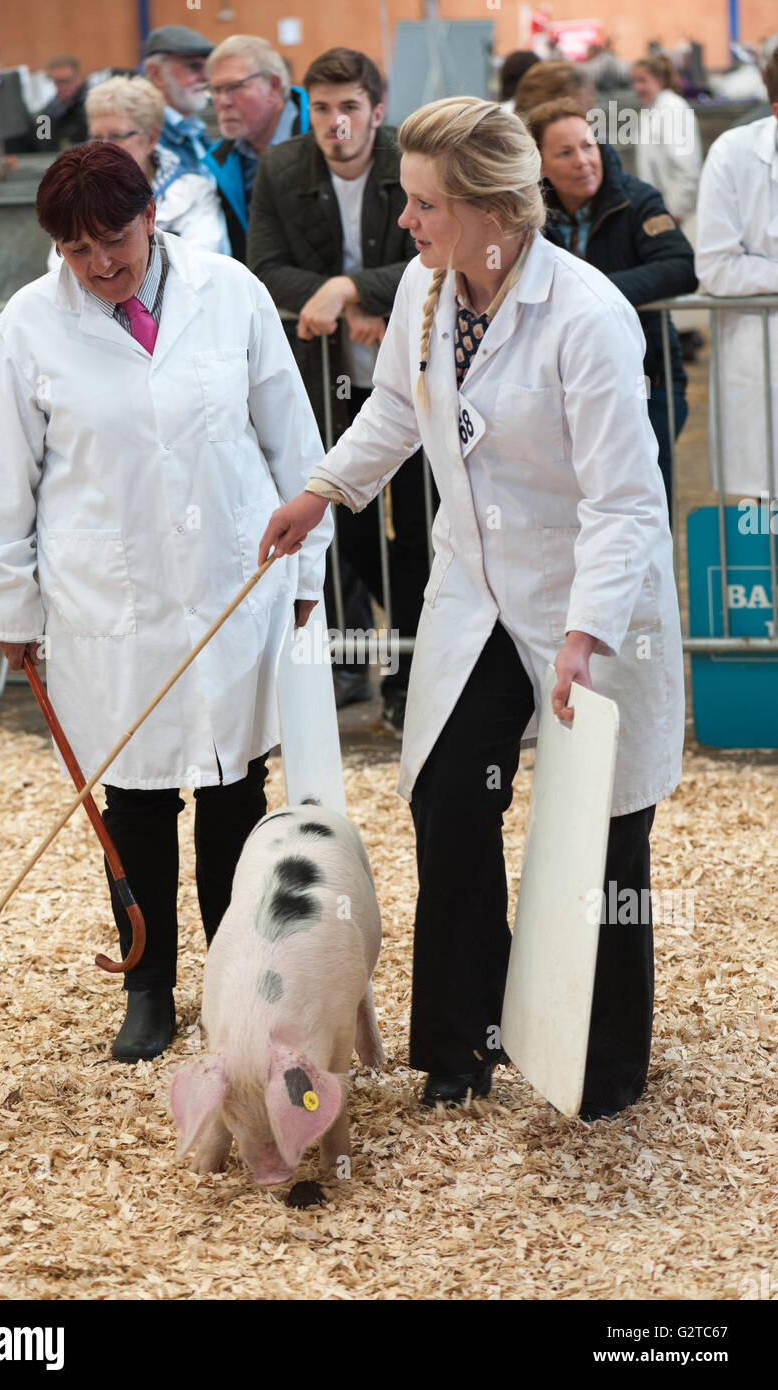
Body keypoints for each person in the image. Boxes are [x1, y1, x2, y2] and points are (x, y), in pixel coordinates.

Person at [259, 97, 684, 1121]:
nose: (403, 223)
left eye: (424, 203)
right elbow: (401, 413)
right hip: (477, 592)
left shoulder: (585, 316)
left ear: (494, 209)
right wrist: (322, 488)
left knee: (601, 826)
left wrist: (583, 629)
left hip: (590, 592)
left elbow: (625, 501)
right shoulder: (425, 286)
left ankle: (602, 1063)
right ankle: (461, 1043)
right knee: (450, 795)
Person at [0, 144, 332, 1063]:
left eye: (113, 241)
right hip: (105, 599)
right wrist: (10, 605)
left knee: (234, 788)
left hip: (231, 579)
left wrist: (309, 569)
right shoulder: (27, 325)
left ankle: (236, 979)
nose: (99, 266)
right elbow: (3, 480)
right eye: (75, 250)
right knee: (130, 797)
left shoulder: (232, 291)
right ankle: (148, 985)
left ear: (150, 217)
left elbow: (291, 436)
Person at [248, 46, 426, 730]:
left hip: (406, 375)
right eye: (321, 108)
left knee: (413, 527)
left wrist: (350, 287)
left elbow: (429, 253)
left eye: (349, 107)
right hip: (326, 373)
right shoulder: (283, 166)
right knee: (345, 530)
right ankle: (391, 651)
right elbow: (263, 266)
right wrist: (338, 300)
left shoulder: (405, 160)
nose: (335, 122)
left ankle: (410, 677)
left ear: (376, 112)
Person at [528, 97, 697, 521]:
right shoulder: (527, 214)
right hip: (559, 387)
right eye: (565, 153)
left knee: (645, 509)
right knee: (578, 510)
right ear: (540, 163)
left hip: (646, 382)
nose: (584, 161)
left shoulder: (636, 199)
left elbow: (680, 267)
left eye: (588, 146)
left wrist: (593, 293)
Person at [695, 48, 778, 497]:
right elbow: (716, 269)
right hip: (762, 373)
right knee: (763, 536)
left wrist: (763, 270)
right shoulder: (734, 154)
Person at [85, 76, 229, 256]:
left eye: (117, 136)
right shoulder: (79, 192)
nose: (104, 147)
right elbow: (62, 268)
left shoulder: (194, 191)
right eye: (97, 137)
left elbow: (200, 263)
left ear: (151, 138)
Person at [203, 34, 311, 262]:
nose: (223, 101)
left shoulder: (323, 139)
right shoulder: (219, 161)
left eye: (235, 87)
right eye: (215, 89)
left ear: (273, 86)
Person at [631, 55, 702, 226]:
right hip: (659, 210)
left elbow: (687, 165)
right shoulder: (651, 110)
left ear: (660, 79)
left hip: (676, 213)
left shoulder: (673, 108)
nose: (637, 87)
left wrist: (676, 211)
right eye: (634, 81)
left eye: (643, 80)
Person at [142, 25, 215, 175]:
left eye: (207, 68)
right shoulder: (145, 138)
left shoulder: (195, 130)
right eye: (194, 67)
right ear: (156, 74)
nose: (206, 77)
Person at [35, 55, 88, 150]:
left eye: (67, 81)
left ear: (77, 78)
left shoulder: (88, 108)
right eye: (58, 82)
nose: (63, 87)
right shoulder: (46, 114)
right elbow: (42, 146)